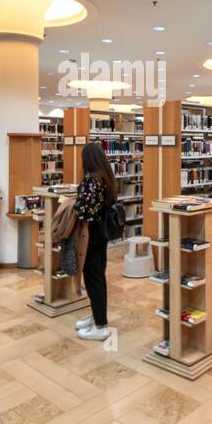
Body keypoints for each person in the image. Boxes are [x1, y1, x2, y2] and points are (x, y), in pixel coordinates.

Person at [73, 141, 117, 341]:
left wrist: (72, 206)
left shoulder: (91, 180)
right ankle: (97, 315)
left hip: (91, 234)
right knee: (98, 276)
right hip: (102, 233)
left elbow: (85, 210)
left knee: (93, 278)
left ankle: (100, 327)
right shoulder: (107, 177)